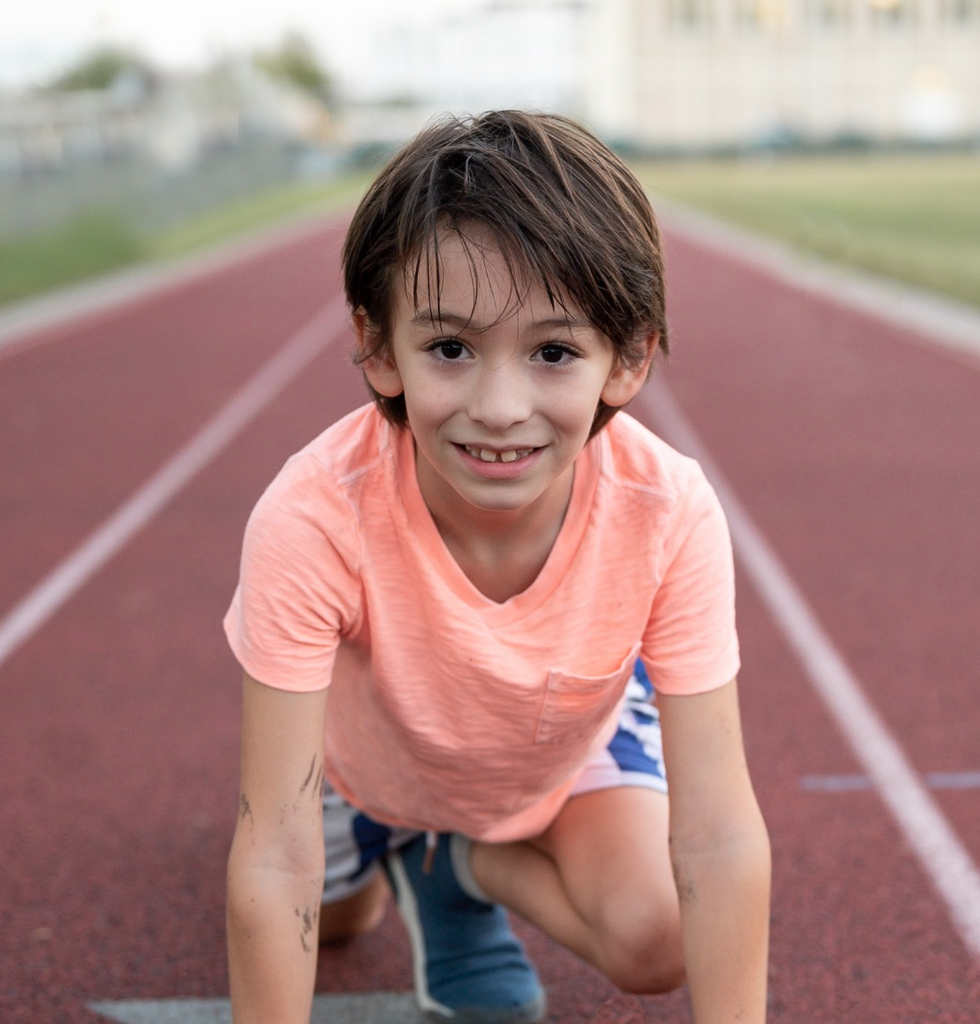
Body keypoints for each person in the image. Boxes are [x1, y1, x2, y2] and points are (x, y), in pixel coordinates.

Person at [224, 109, 770, 1024]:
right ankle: (400, 852)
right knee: (337, 926)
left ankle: (456, 863)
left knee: (660, 936)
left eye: (554, 353)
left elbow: (716, 833)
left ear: (627, 359)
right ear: (375, 345)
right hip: (365, 776)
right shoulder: (312, 514)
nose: (500, 405)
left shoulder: (667, 510)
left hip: (552, 767)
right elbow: (275, 849)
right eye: (450, 349)